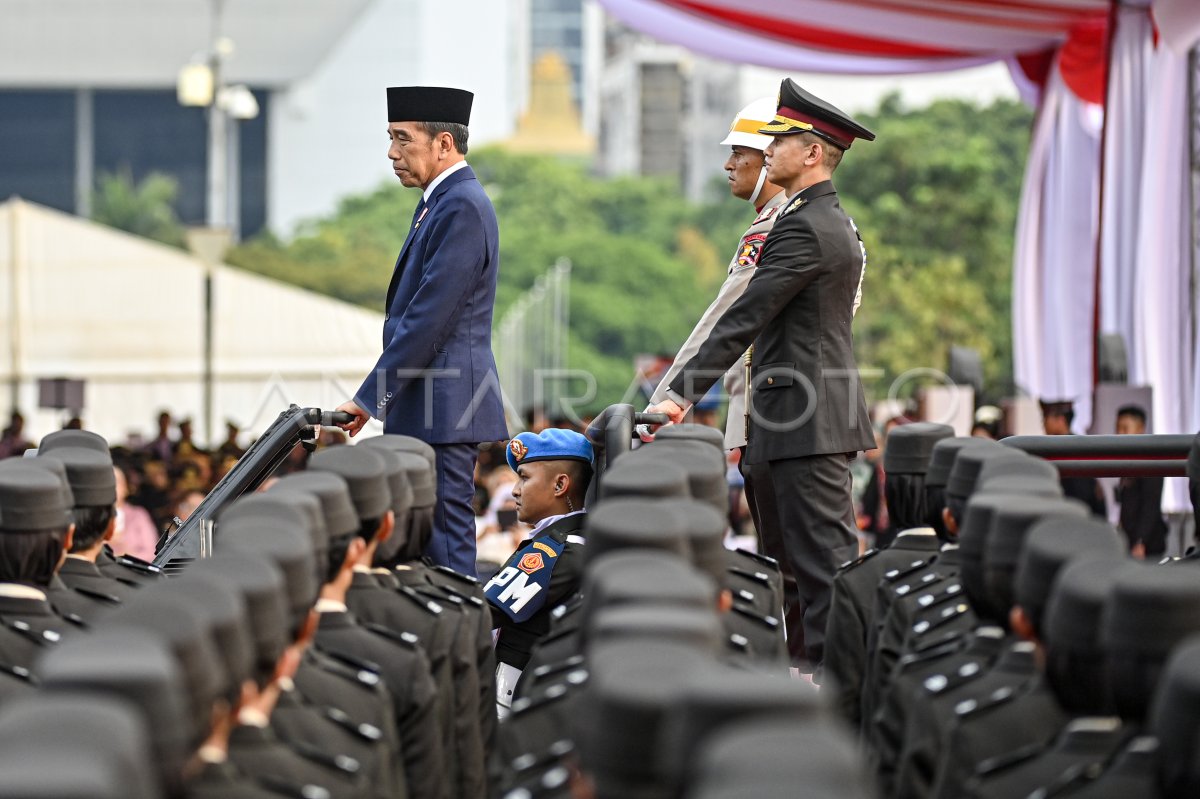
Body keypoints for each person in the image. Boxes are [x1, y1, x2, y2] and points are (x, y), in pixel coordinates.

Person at [648, 78, 877, 670]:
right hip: (791, 418)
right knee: (794, 575)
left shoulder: (806, 224)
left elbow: (743, 315)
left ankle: (839, 695)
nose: (766, 150)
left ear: (813, 153)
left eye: (779, 141)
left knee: (822, 573)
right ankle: (808, 683)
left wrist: (677, 397)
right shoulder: (811, 218)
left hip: (806, 420)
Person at [336, 85, 507, 577]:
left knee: (444, 547)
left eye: (403, 139)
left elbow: (429, 317)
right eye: (390, 138)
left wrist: (369, 398)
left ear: (443, 144)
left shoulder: (461, 205)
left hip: (445, 408)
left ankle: (463, 629)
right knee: (424, 546)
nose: (392, 152)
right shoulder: (441, 201)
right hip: (432, 405)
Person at [484, 428, 592, 715]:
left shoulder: (557, 550)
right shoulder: (561, 542)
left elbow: (485, 611)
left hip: (516, 699)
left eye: (525, 478)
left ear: (560, 485)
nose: (515, 490)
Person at [1113, 404, 1167, 558]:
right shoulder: (1127, 460)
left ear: (1140, 428)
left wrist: (1140, 541)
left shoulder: (1150, 460)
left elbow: (1151, 505)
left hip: (1147, 544)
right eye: (1118, 428)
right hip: (1130, 540)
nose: (1120, 433)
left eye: (1125, 428)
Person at [1039, 399, 1107, 516]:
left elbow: (1080, 491)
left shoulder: (1072, 448)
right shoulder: (1076, 444)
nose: (1043, 424)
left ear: (1060, 420)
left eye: (1046, 418)